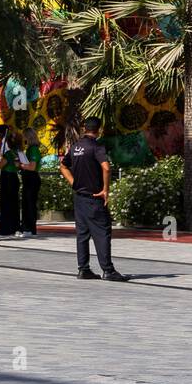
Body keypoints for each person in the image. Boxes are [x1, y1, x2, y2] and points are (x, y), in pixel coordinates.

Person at [59, 118, 128, 282]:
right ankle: (108, 270)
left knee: (82, 234)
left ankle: (83, 269)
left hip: (79, 197)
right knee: (102, 232)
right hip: (94, 197)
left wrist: (73, 183)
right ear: (99, 130)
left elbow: (63, 166)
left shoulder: (75, 147)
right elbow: (106, 167)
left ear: (84, 128)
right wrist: (106, 190)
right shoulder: (96, 147)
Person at [0, 123, 23, 237]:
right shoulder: (16, 152)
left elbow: (0, 165)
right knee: (14, 203)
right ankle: (15, 227)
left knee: (6, 203)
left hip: (7, 177)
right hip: (14, 177)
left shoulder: (8, 153)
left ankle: (6, 228)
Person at [20, 127, 43, 238]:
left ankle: (30, 228)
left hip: (32, 178)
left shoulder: (33, 149)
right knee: (26, 202)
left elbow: (32, 167)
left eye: (24, 135)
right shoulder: (29, 149)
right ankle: (26, 226)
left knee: (30, 203)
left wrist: (21, 165)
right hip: (28, 178)